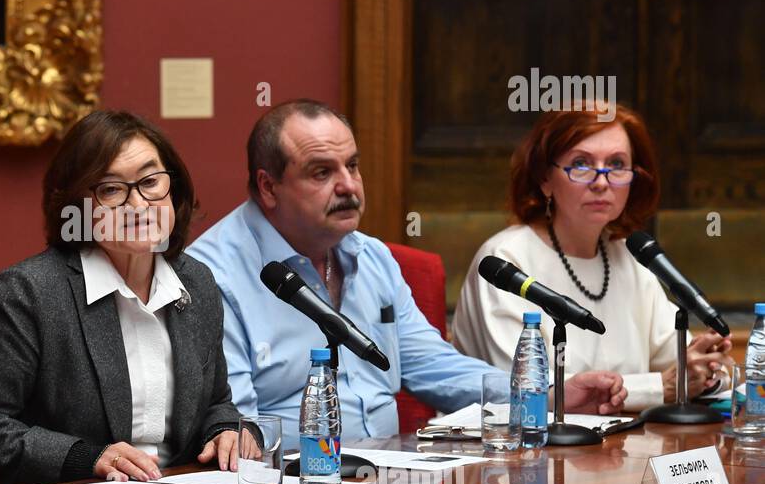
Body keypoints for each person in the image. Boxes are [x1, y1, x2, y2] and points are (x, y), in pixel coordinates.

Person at [187, 99, 627, 449]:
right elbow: (240, 431)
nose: (349, 186)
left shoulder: (371, 258)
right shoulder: (213, 275)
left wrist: (544, 396)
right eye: (322, 172)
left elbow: (434, 367)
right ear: (268, 187)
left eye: (353, 166)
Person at [0, 110, 257, 484]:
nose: (138, 205)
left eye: (150, 182)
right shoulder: (27, 294)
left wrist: (225, 431)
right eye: (111, 190)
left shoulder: (197, 282)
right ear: (76, 207)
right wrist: (85, 457)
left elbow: (216, 402)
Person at [452, 102, 732, 410]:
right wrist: (658, 387)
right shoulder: (505, 260)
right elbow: (529, 391)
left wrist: (704, 366)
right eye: (582, 164)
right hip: (520, 451)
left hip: (619, 448)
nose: (602, 181)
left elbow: (677, 362)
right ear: (545, 178)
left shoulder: (629, 258)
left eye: (616, 165)